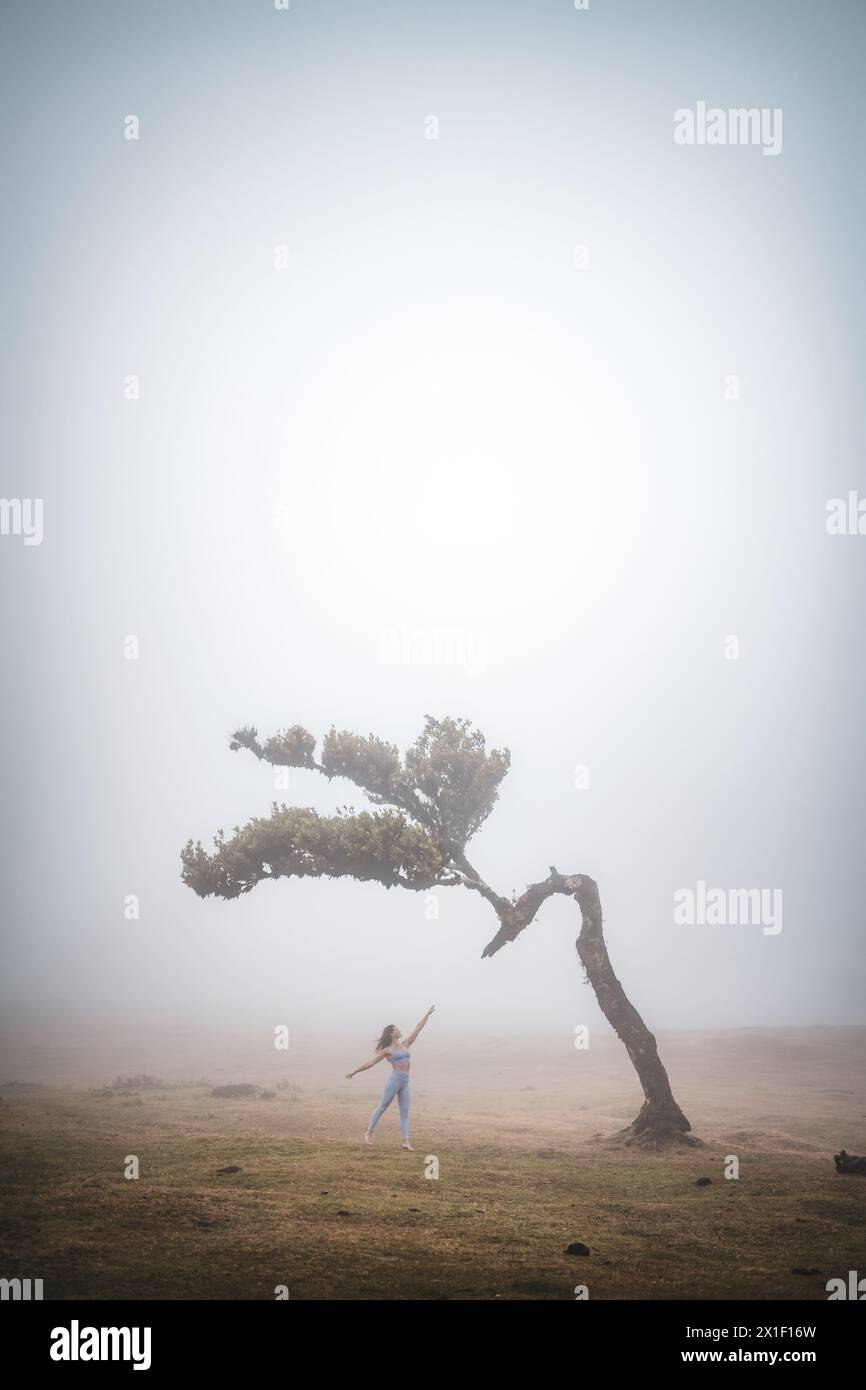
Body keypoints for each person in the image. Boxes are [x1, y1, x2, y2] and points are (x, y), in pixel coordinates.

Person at [346, 1006, 435, 1150]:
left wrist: (427, 1014)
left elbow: (418, 1028)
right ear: (392, 1034)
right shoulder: (387, 1050)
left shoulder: (406, 1044)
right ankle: (368, 1133)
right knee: (382, 1106)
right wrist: (356, 1070)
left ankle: (405, 1141)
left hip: (405, 1081)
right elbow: (372, 1061)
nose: (399, 1030)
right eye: (397, 1029)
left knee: (404, 1113)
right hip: (394, 1080)